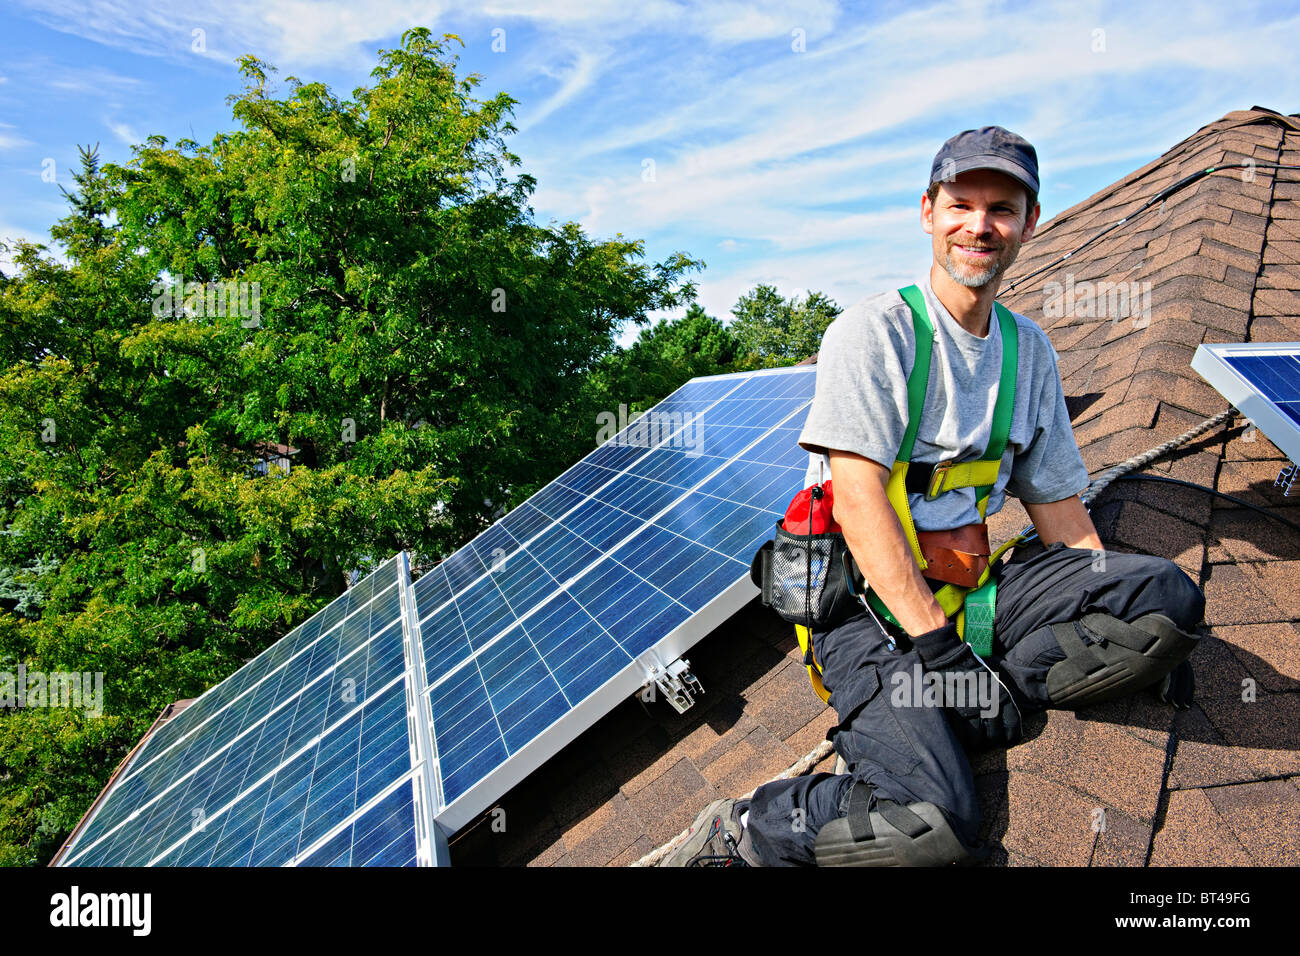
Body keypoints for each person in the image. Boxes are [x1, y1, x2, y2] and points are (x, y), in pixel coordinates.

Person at [664, 126, 1205, 867]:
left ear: (1029, 223)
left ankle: (978, 702)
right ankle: (748, 828)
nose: (979, 226)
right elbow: (858, 502)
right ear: (928, 211)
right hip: (865, 613)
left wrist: (1120, 613)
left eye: (1002, 209)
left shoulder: (1029, 351)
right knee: (931, 829)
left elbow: (1060, 515)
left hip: (970, 589)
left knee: (1169, 596)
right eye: (961, 204)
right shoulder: (876, 334)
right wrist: (941, 653)